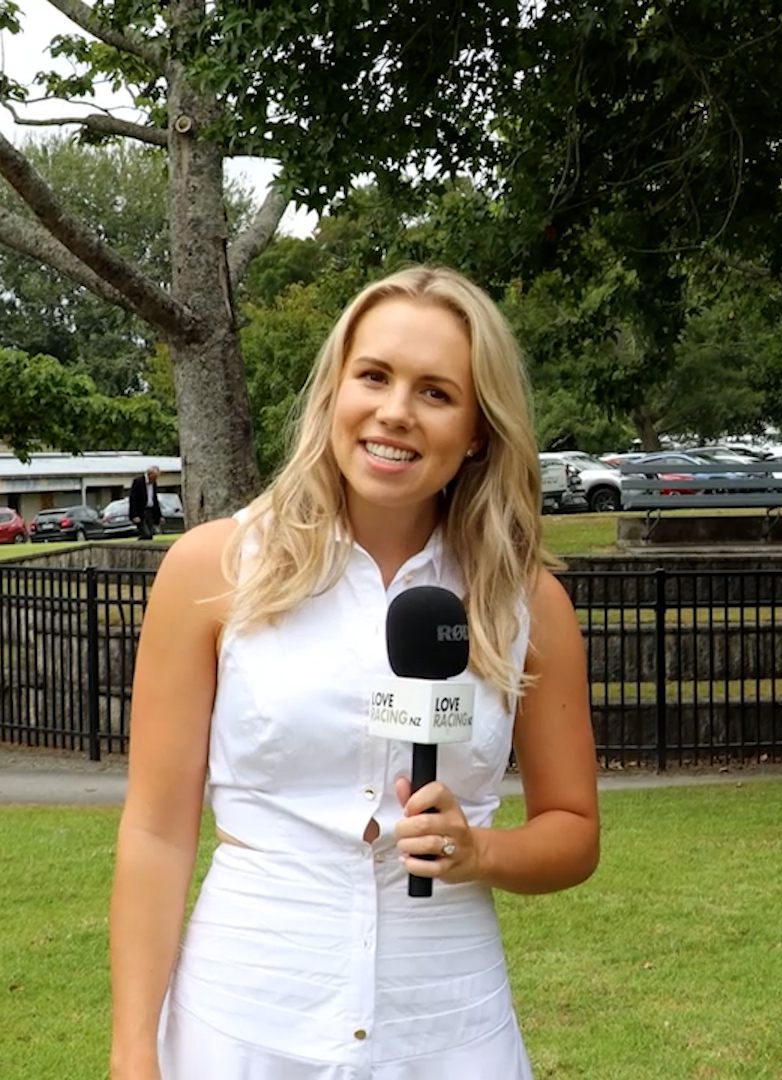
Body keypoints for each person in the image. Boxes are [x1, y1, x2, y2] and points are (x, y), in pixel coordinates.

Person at [109, 266, 600, 1079]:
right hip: (244, 1026)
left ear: (478, 427)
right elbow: (157, 832)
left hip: (448, 1031)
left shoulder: (527, 603)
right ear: (335, 389)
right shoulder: (213, 569)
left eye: (437, 392)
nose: (395, 412)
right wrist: (133, 1056)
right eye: (373, 376)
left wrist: (479, 852)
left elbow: (573, 832)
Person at [128, 466, 164, 540]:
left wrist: (160, 516)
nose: (155, 479)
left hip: (150, 511)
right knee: (145, 533)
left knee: (150, 534)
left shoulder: (154, 484)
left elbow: (155, 499)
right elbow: (133, 499)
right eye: (154, 477)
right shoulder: (138, 482)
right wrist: (134, 515)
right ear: (149, 474)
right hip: (141, 511)